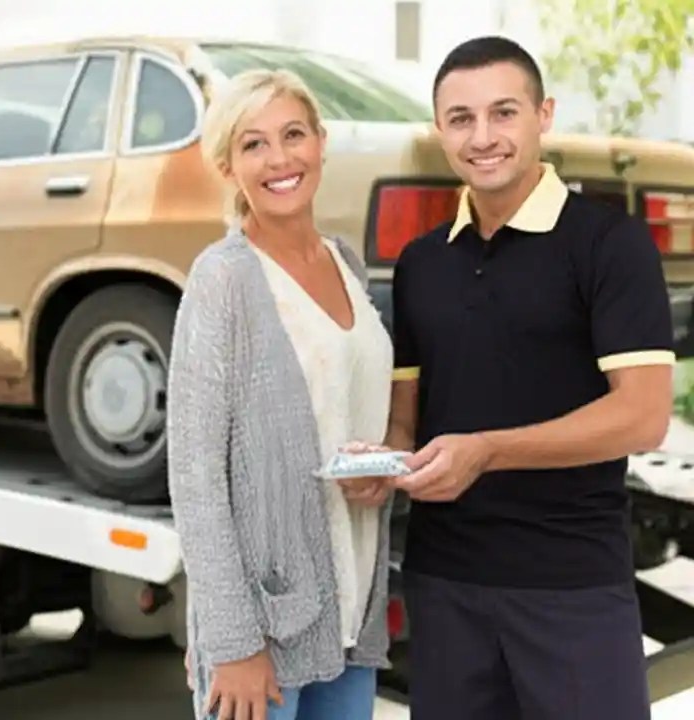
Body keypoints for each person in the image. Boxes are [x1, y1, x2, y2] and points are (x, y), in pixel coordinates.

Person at [386, 35, 672, 719]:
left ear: (543, 115)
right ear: (439, 131)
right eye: (461, 118)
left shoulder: (609, 245)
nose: (482, 136)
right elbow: (407, 413)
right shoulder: (420, 262)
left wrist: (488, 450)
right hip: (445, 585)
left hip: (570, 588)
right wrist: (383, 456)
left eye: (503, 113)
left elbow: (642, 416)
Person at [168, 67, 397, 720]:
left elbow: (352, 409)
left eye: (293, 134)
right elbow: (195, 476)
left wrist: (379, 469)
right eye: (253, 144)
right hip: (264, 631)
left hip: (349, 613)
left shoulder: (346, 263)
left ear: (321, 142)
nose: (279, 159)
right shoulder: (224, 280)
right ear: (229, 166)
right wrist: (234, 640)